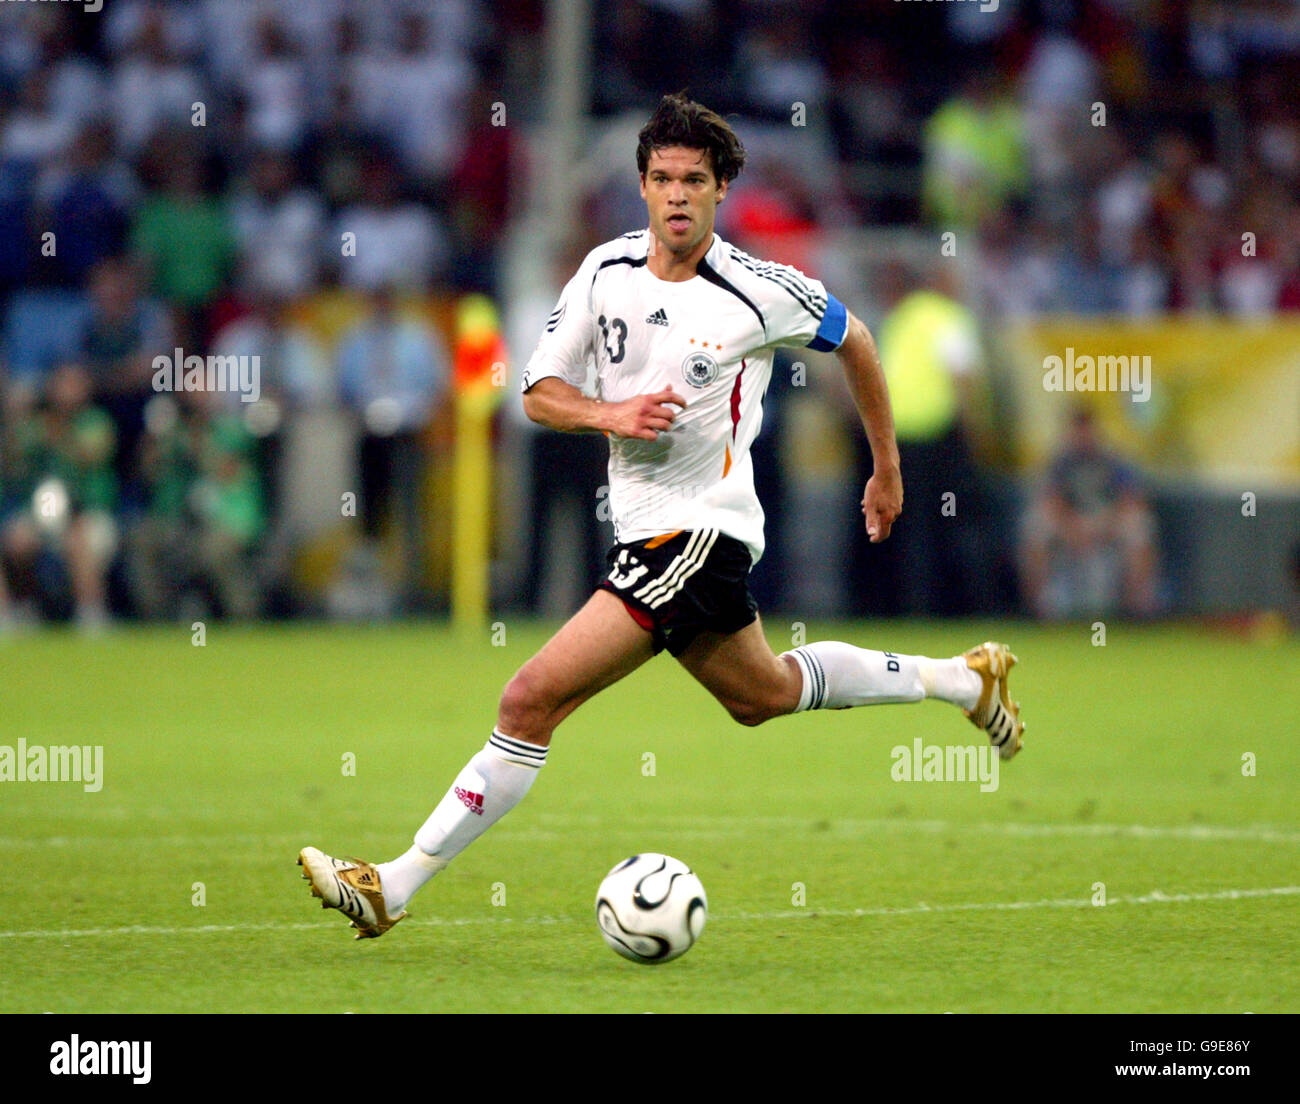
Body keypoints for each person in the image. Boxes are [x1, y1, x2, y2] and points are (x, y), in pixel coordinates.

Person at [298, 94, 1026, 939]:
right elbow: (539, 393)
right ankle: (962, 679)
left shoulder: (757, 289)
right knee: (763, 694)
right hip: (644, 532)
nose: (676, 194)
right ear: (642, 188)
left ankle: (396, 882)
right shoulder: (602, 271)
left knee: (528, 697)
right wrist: (612, 414)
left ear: (721, 191)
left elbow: (857, 338)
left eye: (694, 180)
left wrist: (887, 468)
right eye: (661, 178)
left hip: (700, 532)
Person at [1019, 407, 1159, 620]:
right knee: (1036, 525)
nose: (1083, 435)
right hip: (1072, 523)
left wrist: (1105, 525)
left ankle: (1138, 606)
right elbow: (1050, 502)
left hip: (1107, 521)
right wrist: (1073, 529)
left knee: (1139, 526)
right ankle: (1039, 606)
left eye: (1087, 429)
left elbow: (1132, 500)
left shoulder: (1112, 460)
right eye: (1078, 429)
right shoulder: (1061, 463)